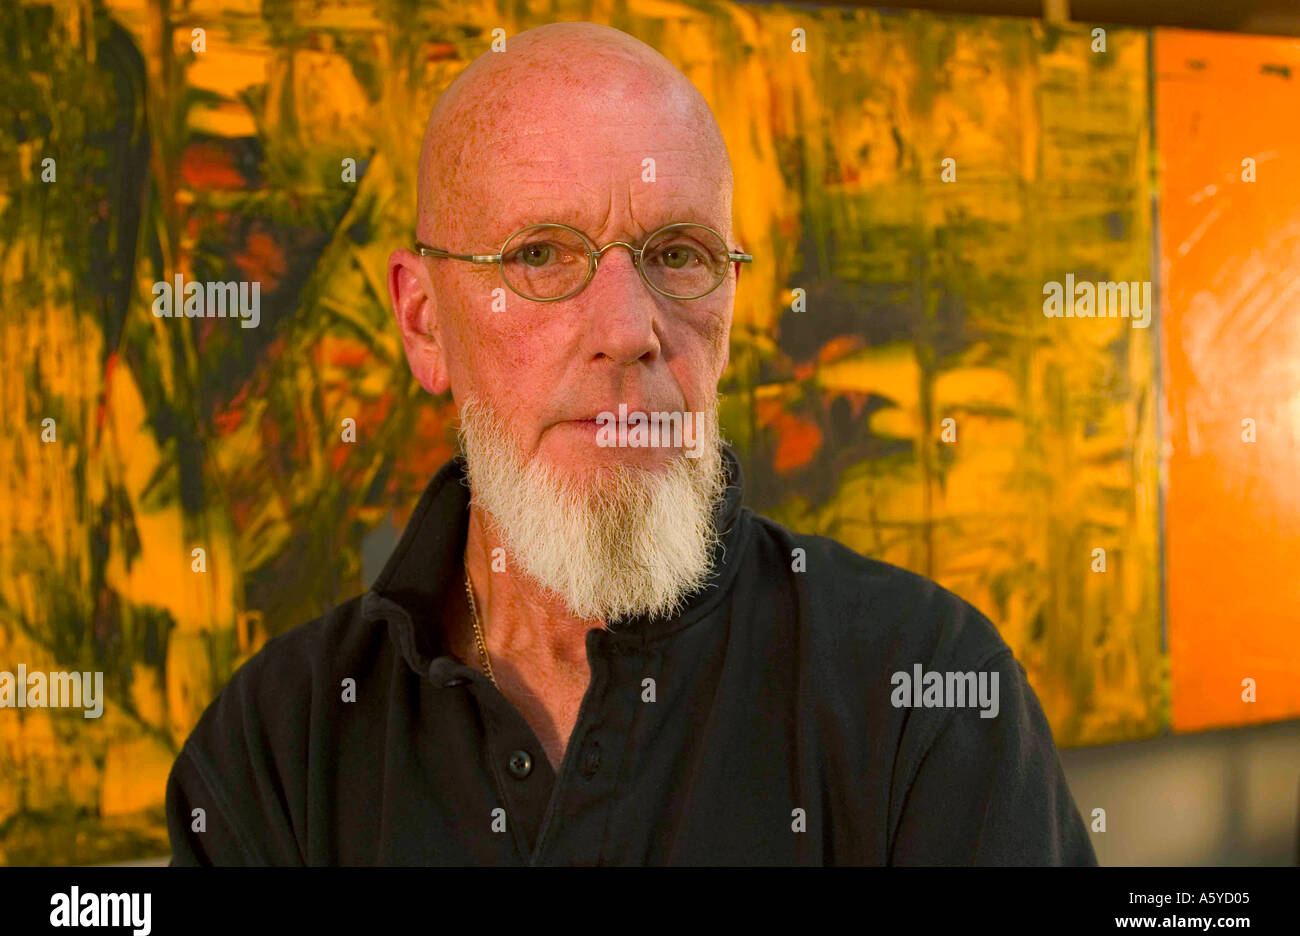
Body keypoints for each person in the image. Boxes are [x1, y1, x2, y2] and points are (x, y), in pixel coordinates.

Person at [165, 20, 1096, 865]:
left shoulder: (927, 688)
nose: (629, 328)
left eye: (679, 254)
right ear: (423, 324)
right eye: (541, 254)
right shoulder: (274, 751)